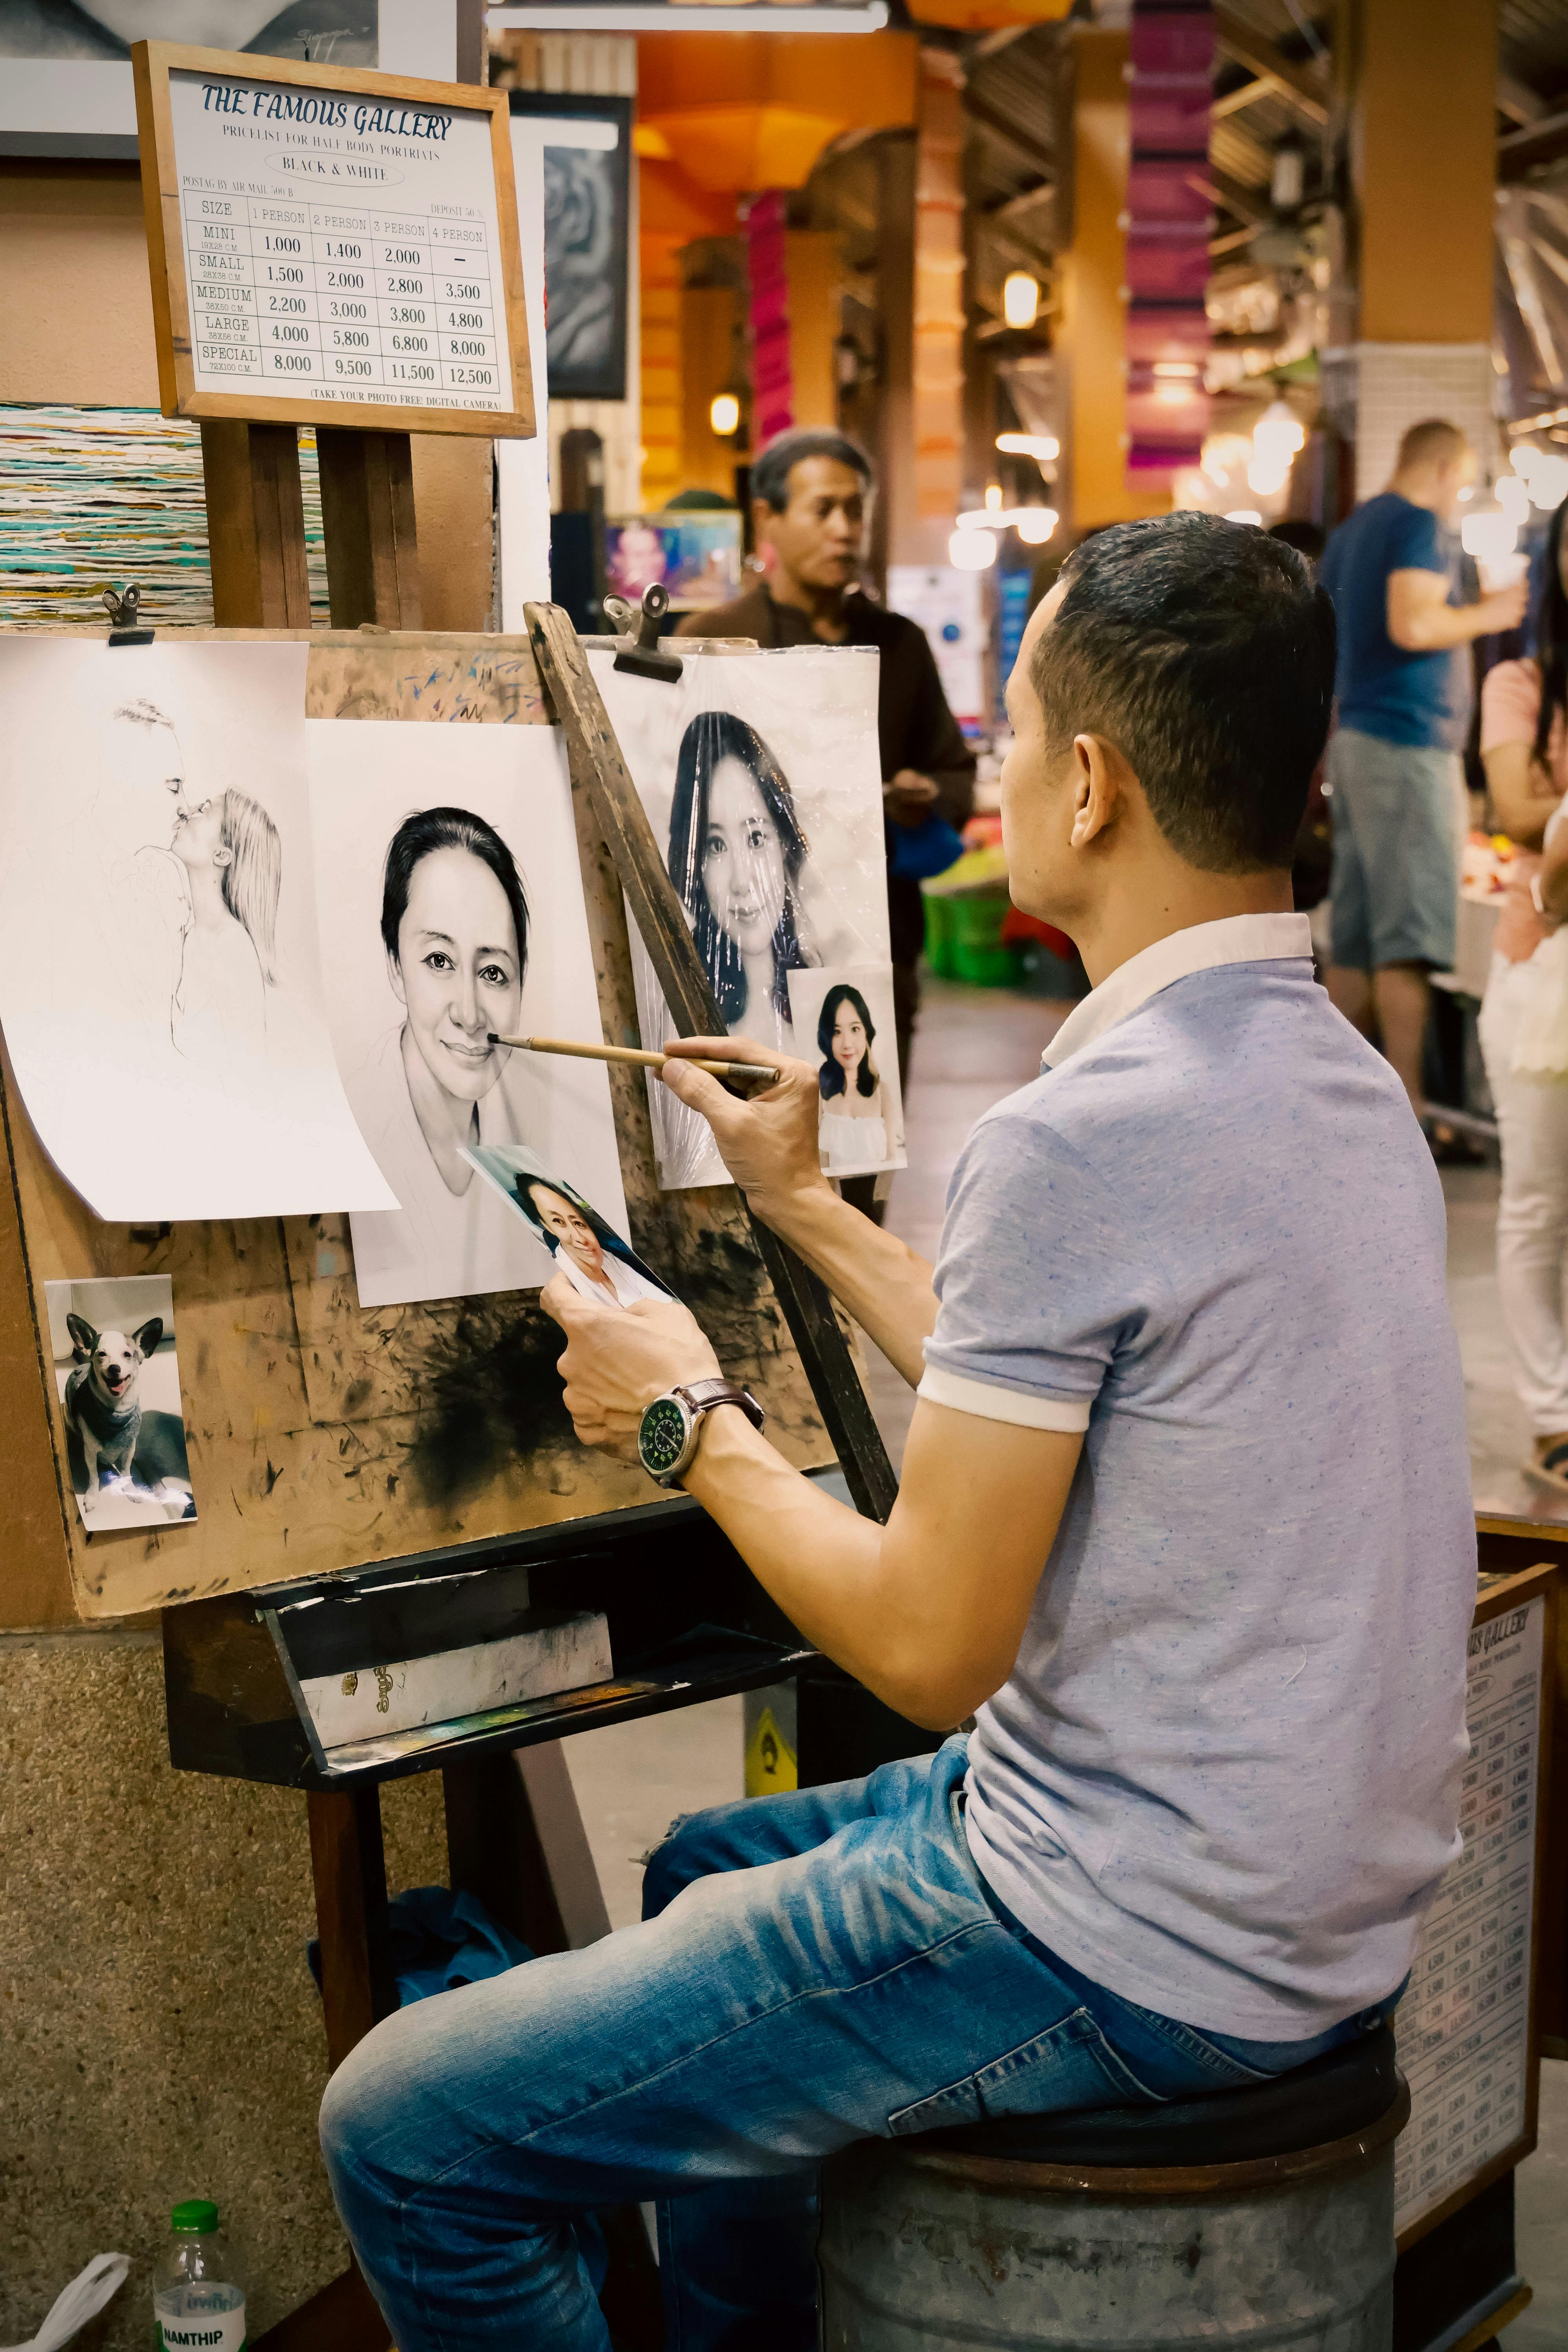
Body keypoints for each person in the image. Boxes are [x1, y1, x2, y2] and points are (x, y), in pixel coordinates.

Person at [319, 513, 1476, 2352]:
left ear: (1087, 784)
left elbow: (933, 1646)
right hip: (1292, 1888)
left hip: (1129, 1930)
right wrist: (804, 1206)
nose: (999, 774)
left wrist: (685, 1417)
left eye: (1016, 736)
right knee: (707, 1859)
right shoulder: (1332, 1074)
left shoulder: (1085, 1133)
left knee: (401, 2125)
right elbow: (1071, 1396)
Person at [677, 428, 976, 1093]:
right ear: (768, 519)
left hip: (875, 947)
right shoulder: (712, 644)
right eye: (824, 510)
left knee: (863, 1136)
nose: (845, 529)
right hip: (742, 946)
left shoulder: (900, 645)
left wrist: (919, 795)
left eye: (856, 510)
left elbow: (957, 773)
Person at [1319, 418, 1528, 1136]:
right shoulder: (1414, 523)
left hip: (1358, 741)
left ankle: (1333, 1099)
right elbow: (1413, 624)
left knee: (1356, 932)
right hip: (1405, 745)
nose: (1460, 497)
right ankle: (1403, 1108)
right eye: (1463, 482)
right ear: (1443, 469)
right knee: (1405, 934)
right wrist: (1490, 613)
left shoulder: (1350, 532)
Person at [347, 806, 598, 1306]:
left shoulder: (561, 1140)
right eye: (439, 961)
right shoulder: (350, 1131)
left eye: (493, 973)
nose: (469, 1013)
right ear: (396, 965)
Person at [1478, 492, 1568, 1491]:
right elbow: (1513, 806)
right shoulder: (1518, 682)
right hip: (1542, 965)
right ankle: (1552, 1412)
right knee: (1538, 1200)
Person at [668, 708, 811, 1040]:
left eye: (757, 838)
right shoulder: (679, 1017)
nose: (742, 881)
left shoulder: (826, 1005)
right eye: (715, 846)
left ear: (785, 845)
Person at [169, 789, 279, 1069]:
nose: (187, 810)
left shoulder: (233, 949)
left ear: (221, 854)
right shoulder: (186, 931)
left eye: (205, 810)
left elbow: (244, 1078)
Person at [520, 1178, 670, 1309]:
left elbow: (668, 1304)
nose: (580, 1238)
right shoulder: (568, 1284)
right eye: (558, 1221)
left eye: (578, 1223)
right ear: (546, 1226)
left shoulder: (607, 1257)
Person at [815, 980, 889, 1173]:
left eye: (855, 1029)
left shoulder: (884, 1092)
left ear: (867, 1031)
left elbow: (894, 1164)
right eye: (837, 1032)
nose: (847, 1044)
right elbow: (818, 1166)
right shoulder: (819, 1092)